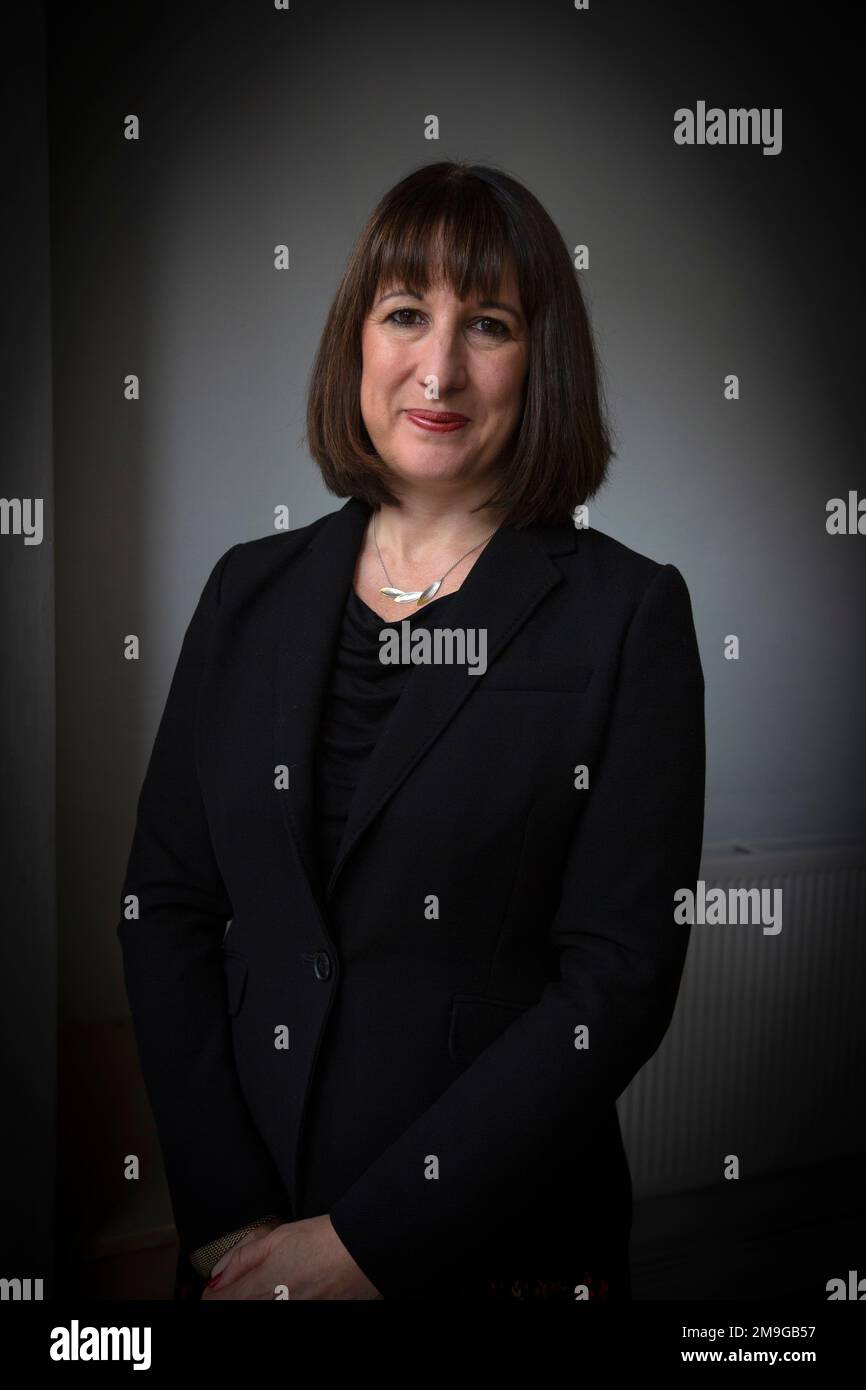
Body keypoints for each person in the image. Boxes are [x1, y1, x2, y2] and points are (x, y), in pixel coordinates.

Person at [117, 160, 705, 1301]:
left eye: (485, 324)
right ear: (356, 341)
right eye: (403, 315)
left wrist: (365, 1247)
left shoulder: (627, 612)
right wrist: (225, 1218)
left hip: (495, 1243)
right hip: (243, 1241)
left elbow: (616, 981)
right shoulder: (246, 594)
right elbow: (166, 907)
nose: (437, 368)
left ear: (542, 365)